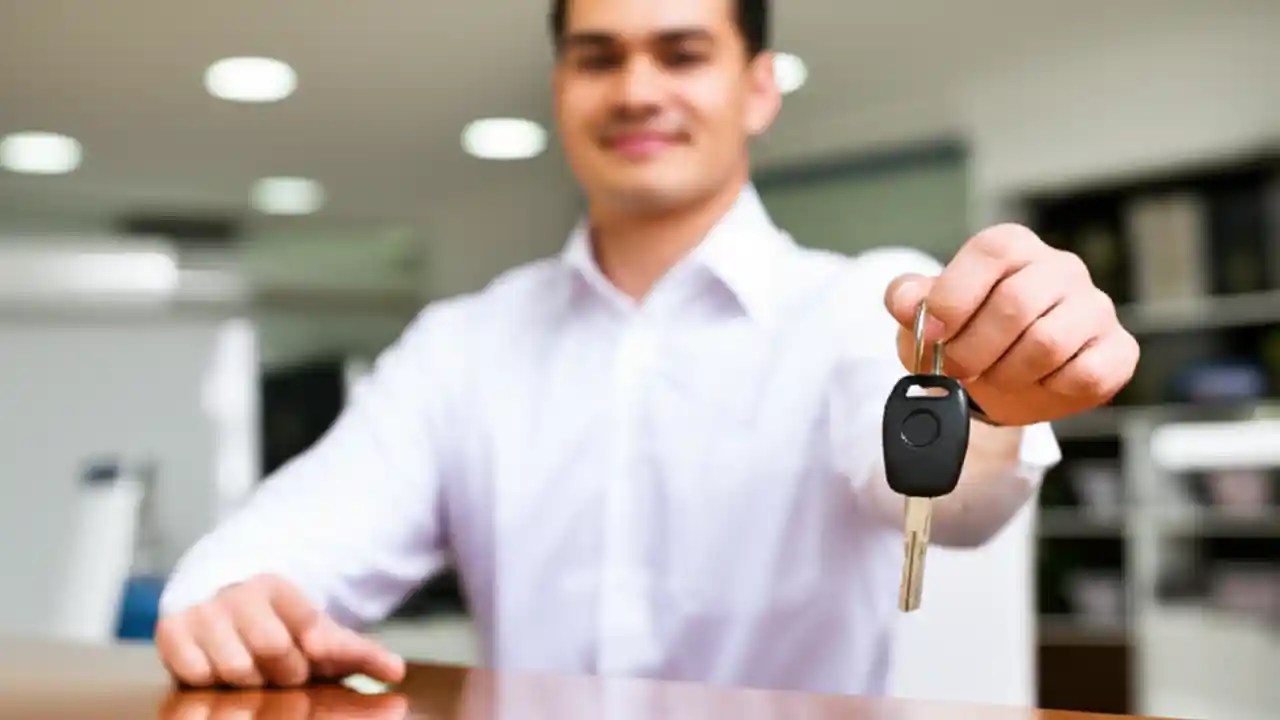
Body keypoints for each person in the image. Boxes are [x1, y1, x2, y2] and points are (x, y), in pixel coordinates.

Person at [155, 0, 1139, 697]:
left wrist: (998, 403)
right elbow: (285, 542)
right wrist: (224, 601)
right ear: (559, 88)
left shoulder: (857, 303)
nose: (635, 89)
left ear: (757, 88)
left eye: (679, 52)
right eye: (598, 56)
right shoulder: (461, 346)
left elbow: (944, 498)